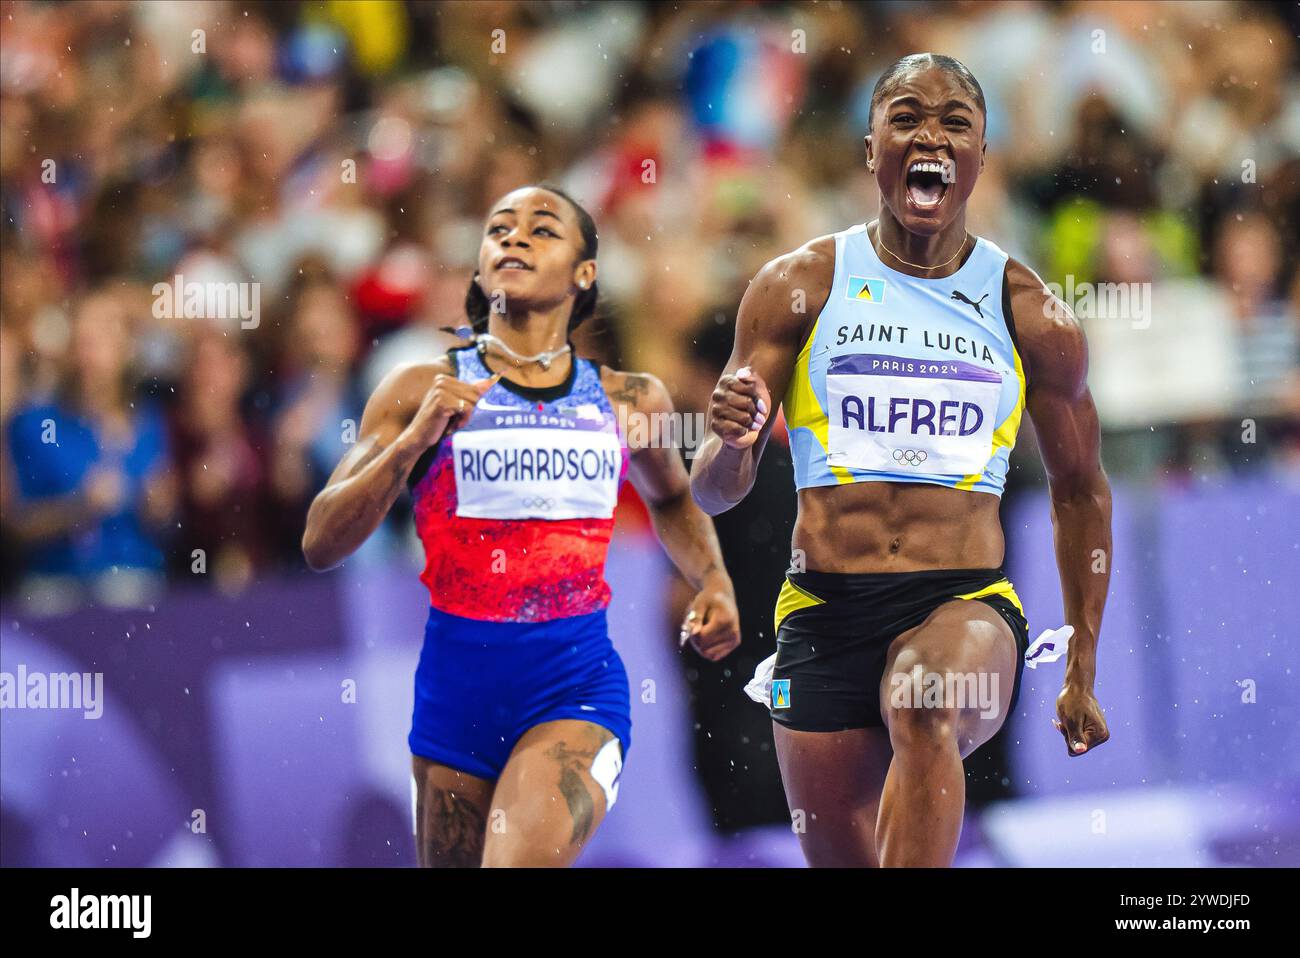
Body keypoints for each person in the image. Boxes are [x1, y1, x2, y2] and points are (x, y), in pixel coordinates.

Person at [690, 53, 1113, 867]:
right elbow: (715, 488)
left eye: (956, 122)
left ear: (982, 159)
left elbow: (1081, 491)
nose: (932, 135)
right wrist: (730, 445)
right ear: (870, 147)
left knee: (921, 703)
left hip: (963, 603)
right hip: (820, 613)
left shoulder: (1033, 315)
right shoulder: (798, 286)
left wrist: (1082, 661)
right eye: (908, 116)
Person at [302, 185, 740, 867]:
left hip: (575, 688)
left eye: (541, 230)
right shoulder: (419, 388)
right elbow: (321, 542)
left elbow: (674, 501)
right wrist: (413, 443)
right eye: (499, 228)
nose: (514, 239)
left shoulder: (629, 400)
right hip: (454, 698)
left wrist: (711, 579)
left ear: (584, 272)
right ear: (480, 269)